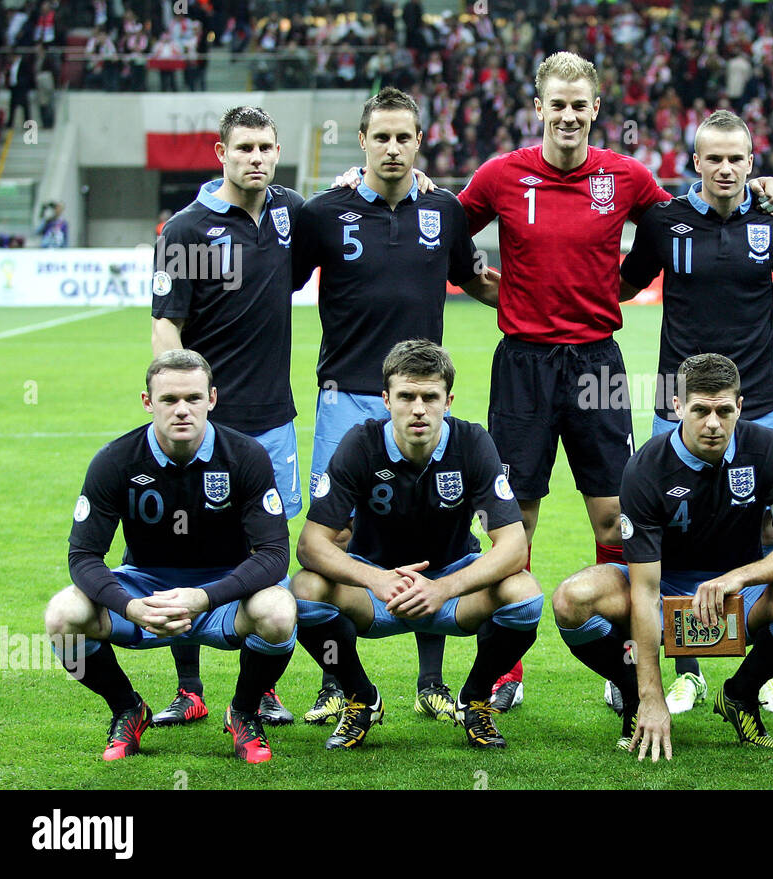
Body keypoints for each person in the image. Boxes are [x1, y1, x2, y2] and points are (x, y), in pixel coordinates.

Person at [449, 52, 773, 711]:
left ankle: (626, 655)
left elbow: (685, 220)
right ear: (538, 108)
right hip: (521, 361)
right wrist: (486, 288)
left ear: (596, 109)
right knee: (517, 515)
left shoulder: (627, 177)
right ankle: (508, 666)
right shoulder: (500, 175)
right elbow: (442, 230)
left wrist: (756, 188)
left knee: (613, 511)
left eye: (581, 104)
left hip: (597, 363)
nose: (569, 115)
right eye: (558, 104)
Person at [293, 87, 499, 727]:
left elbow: (475, 280)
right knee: (341, 536)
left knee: (431, 529)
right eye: (379, 136)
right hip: (346, 398)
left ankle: (431, 683)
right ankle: (341, 683)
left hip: (419, 397)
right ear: (361, 141)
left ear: (419, 142)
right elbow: (279, 276)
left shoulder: (445, 209)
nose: (391, 147)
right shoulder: (324, 213)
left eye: (402, 137)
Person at [551, 354, 773, 760]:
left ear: (740, 406)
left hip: (738, 596)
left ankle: (741, 694)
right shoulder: (646, 468)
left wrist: (736, 579)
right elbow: (643, 591)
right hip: (662, 591)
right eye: (700, 410)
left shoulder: (766, 449)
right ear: (678, 407)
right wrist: (651, 695)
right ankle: (634, 702)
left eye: (723, 410)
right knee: (572, 599)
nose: (713, 423)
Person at [618, 109, 773, 719]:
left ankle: (758, 672)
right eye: (713, 157)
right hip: (680, 402)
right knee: (675, 530)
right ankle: (687, 669)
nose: (725, 168)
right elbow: (622, 283)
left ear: (753, 162)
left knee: (769, 529)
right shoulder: (666, 221)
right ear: (695, 163)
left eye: (736, 158)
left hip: (761, 400)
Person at [44, 350, 297, 763]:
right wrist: (129, 605)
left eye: (194, 398)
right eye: (169, 400)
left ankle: (245, 712)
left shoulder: (246, 456)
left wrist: (205, 597)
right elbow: (83, 556)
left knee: (279, 610)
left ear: (212, 399)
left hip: (222, 591)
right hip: (144, 588)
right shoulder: (115, 461)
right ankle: (127, 708)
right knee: (62, 615)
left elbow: (274, 555)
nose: (183, 410)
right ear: (148, 402)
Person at [291, 340, 543, 750]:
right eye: (407, 396)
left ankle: (475, 698)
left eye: (430, 396)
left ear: (449, 400)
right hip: (375, 592)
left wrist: (443, 587)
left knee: (525, 596)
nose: (419, 408)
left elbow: (513, 546)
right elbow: (310, 545)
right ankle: (360, 697)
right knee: (302, 591)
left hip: (450, 590)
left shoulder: (472, 442)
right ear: (387, 400)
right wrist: (375, 579)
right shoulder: (360, 444)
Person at [151, 106, 304, 729]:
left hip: (273, 419)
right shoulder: (186, 229)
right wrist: (180, 406)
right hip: (211, 424)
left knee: (267, 548)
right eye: (244, 148)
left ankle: (261, 684)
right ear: (221, 152)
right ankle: (189, 688)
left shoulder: (290, 213)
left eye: (267, 147)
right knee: (186, 547)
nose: (257, 158)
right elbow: (167, 322)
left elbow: (355, 205)